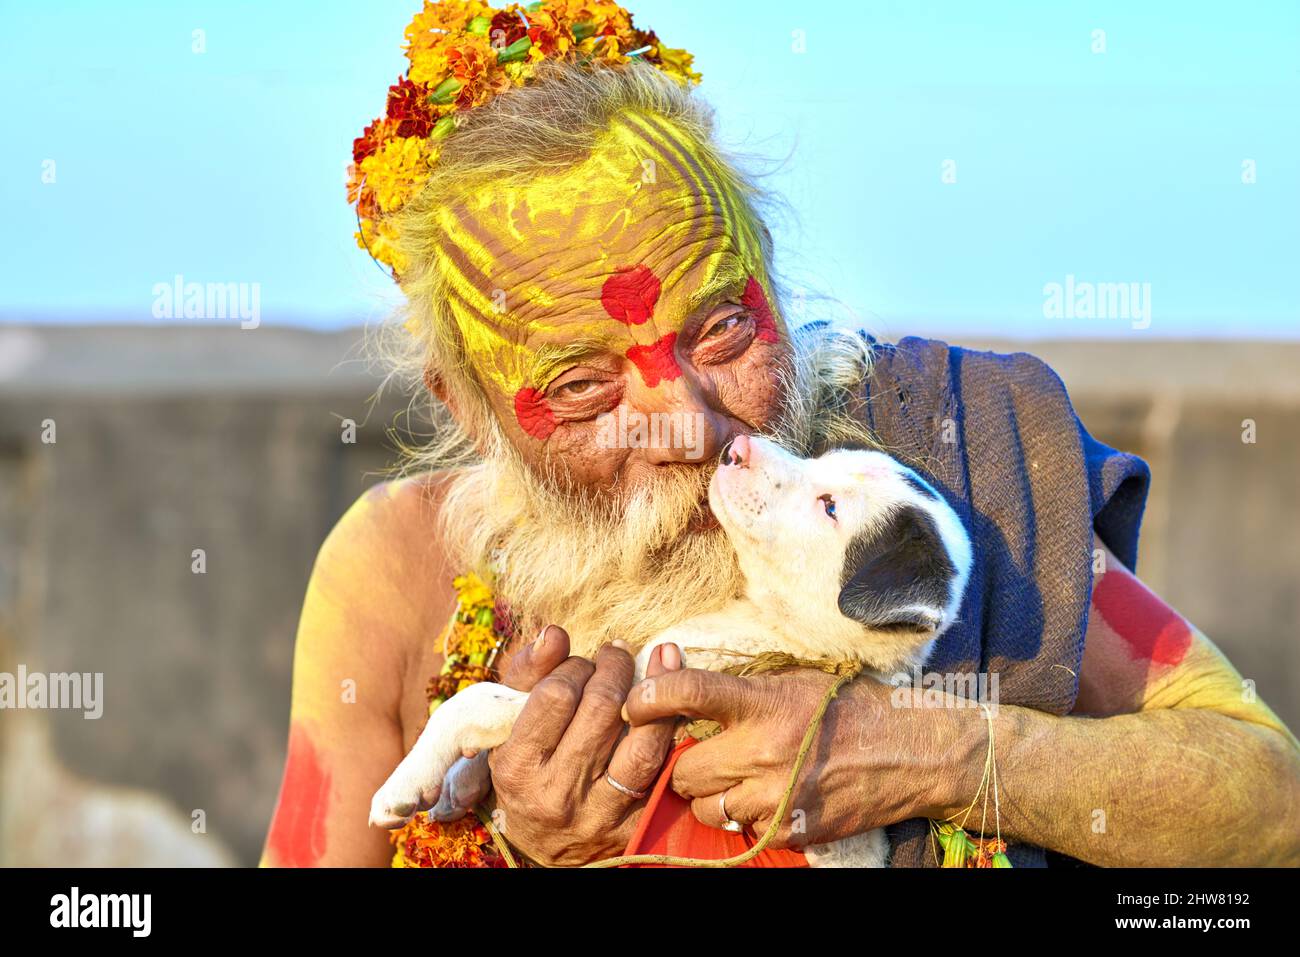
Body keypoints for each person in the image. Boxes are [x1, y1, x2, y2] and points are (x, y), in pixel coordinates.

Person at [261, 1, 1300, 868]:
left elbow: (1272, 799)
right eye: (581, 386)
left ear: (774, 284)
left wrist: (935, 755)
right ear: (469, 408)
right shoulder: (395, 571)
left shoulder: (920, 482)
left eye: (720, 329)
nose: (691, 428)